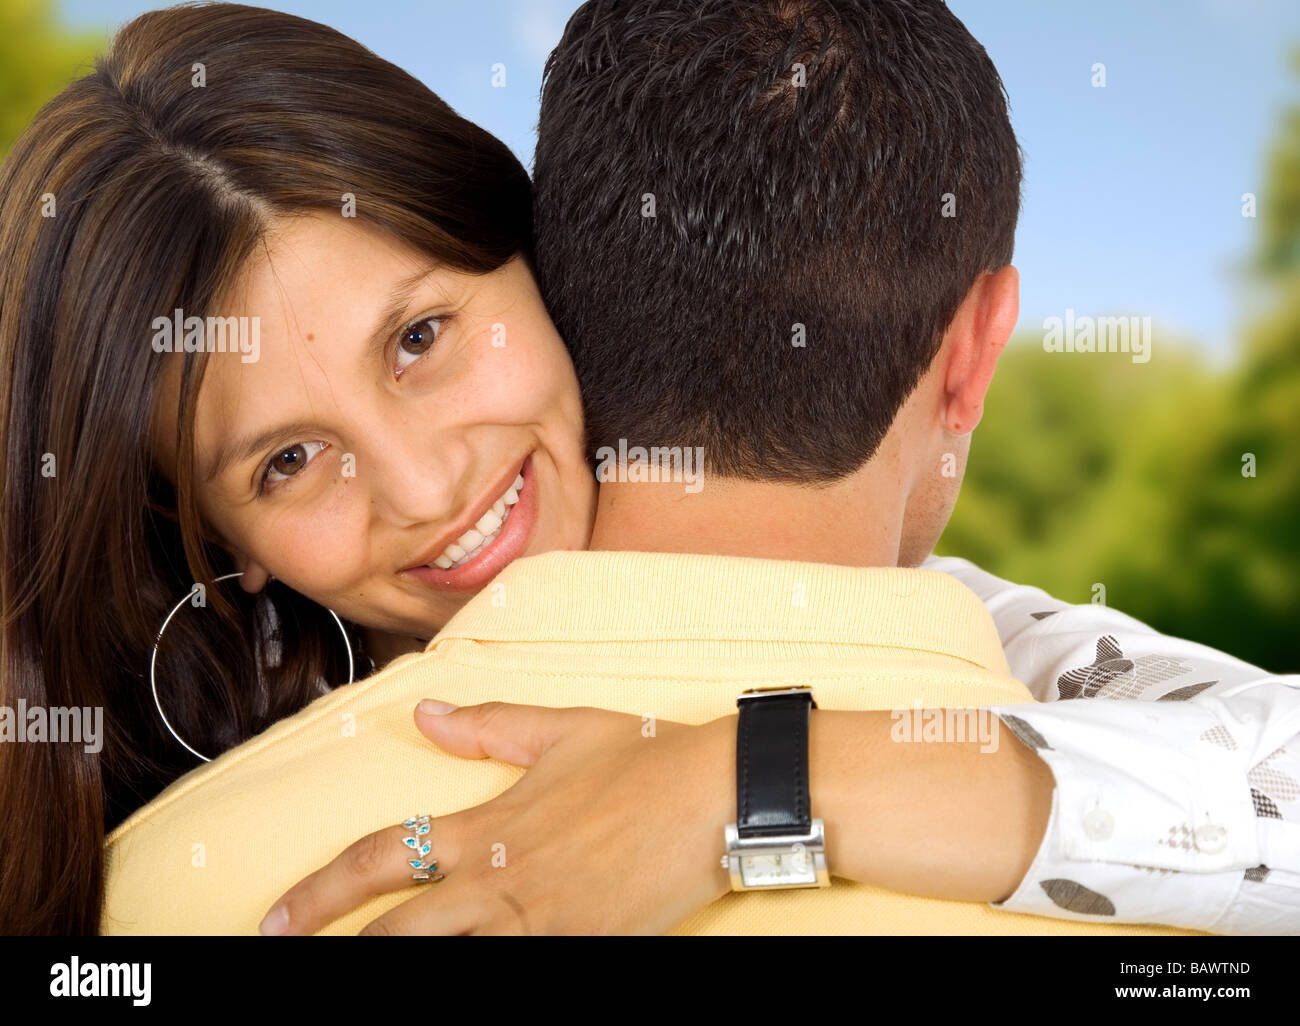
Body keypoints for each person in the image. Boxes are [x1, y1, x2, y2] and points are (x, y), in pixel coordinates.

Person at [97, 1, 1294, 935]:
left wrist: (738, 781)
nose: (422, 489)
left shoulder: (168, 887)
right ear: (217, 544)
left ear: (549, 264)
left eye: (420, 340)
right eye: (287, 462)